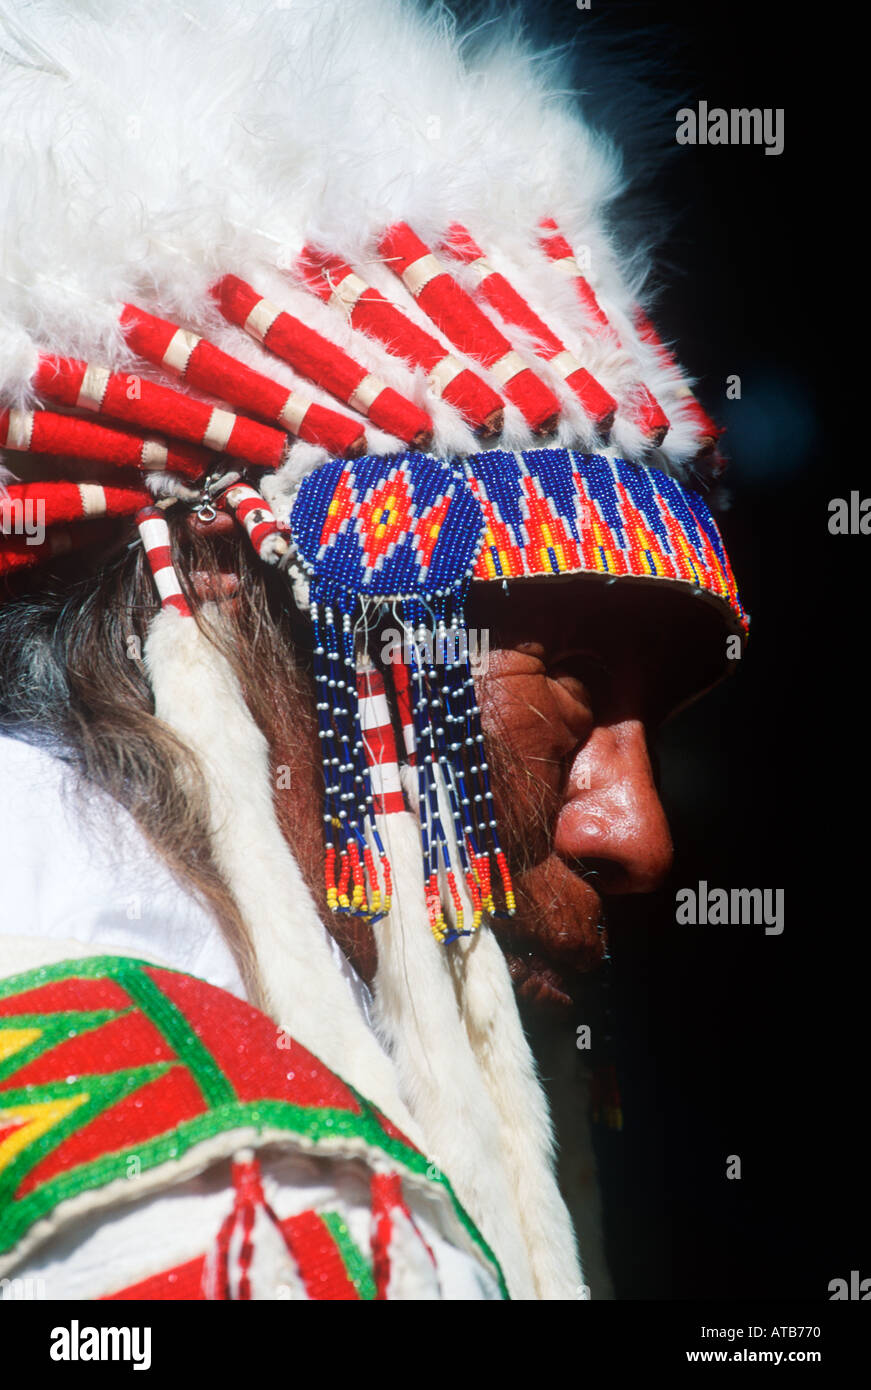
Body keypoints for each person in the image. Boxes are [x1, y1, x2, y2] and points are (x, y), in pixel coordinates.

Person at [0, 0, 745, 1300]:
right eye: (570, 684)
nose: (638, 832)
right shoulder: (228, 1204)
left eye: (656, 723)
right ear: (235, 604)